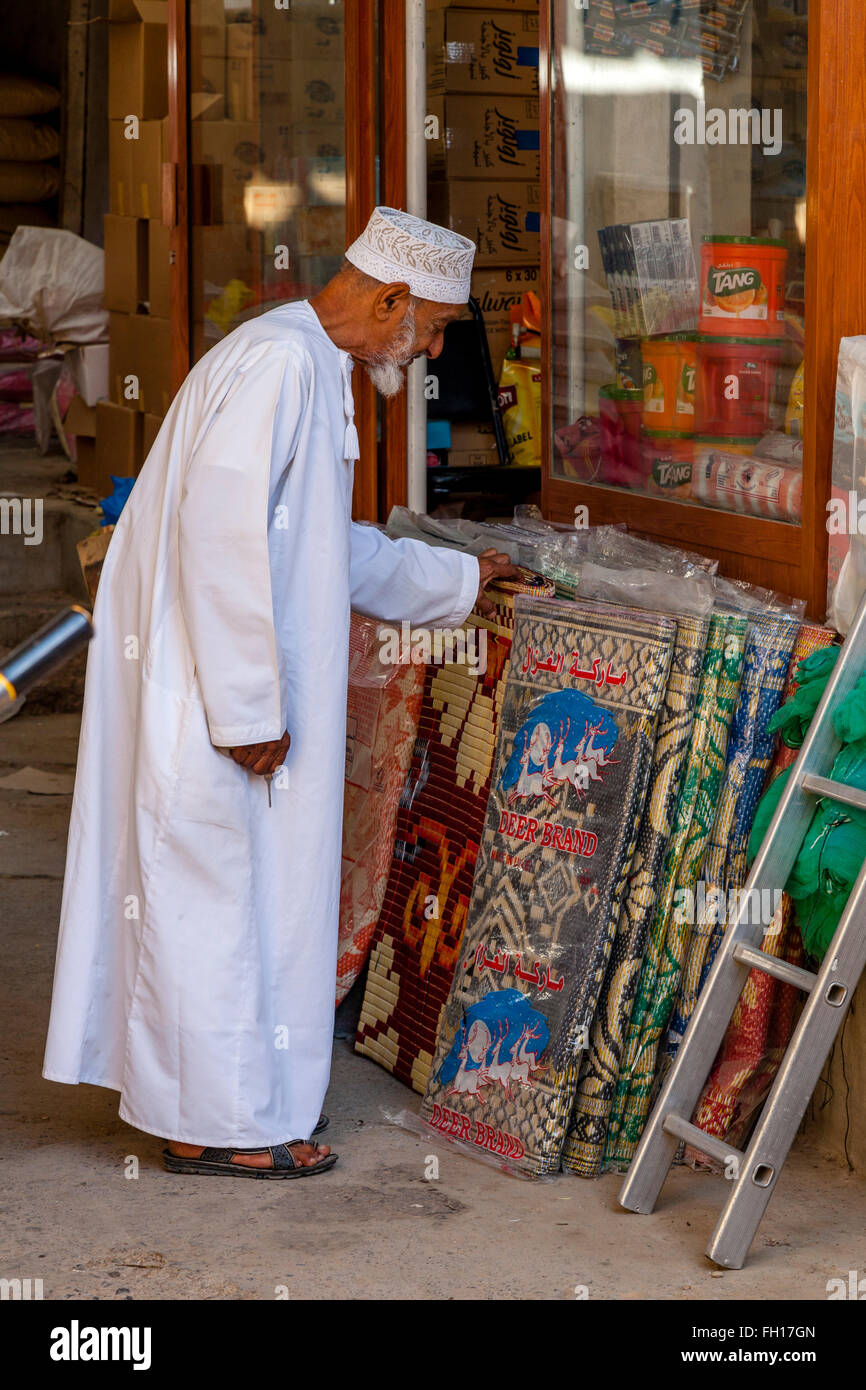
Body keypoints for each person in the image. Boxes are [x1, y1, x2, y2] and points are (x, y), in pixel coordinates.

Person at [43, 207, 515, 1179]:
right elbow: (222, 543)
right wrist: (250, 713)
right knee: (216, 901)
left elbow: (320, 551)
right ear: (389, 297)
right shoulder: (279, 367)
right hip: (218, 695)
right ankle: (219, 1127)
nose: (426, 350)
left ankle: (222, 1114)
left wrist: (465, 580)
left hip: (224, 687)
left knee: (230, 901)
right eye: (426, 328)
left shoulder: (301, 364)